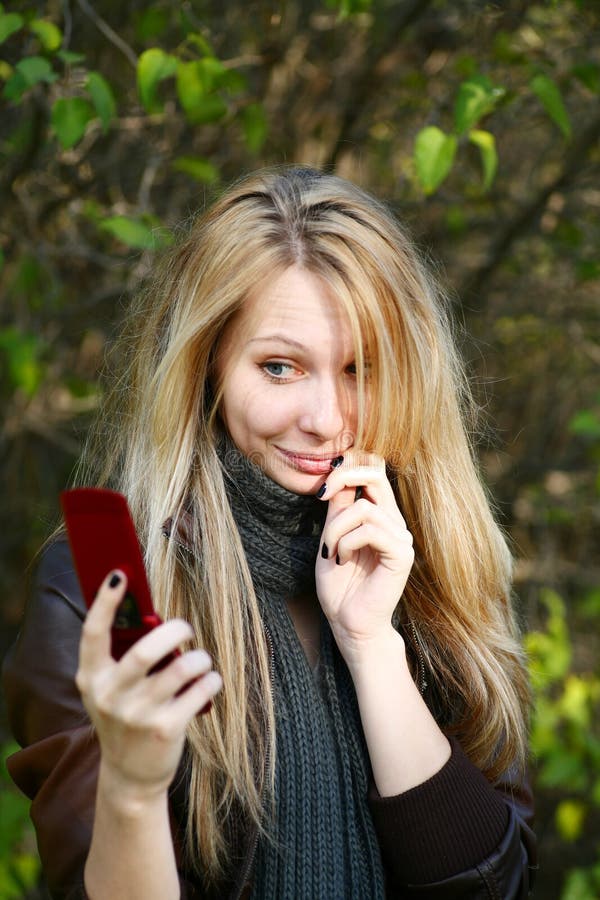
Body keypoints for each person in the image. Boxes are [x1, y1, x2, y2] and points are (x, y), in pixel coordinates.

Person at [3, 166, 536, 899]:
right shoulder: (112, 586)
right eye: (280, 368)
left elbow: (495, 886)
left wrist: (373, 646)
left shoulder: (437, 560)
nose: (325, 417)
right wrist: (129, 788)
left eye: (360, 369)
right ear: (208, 362)